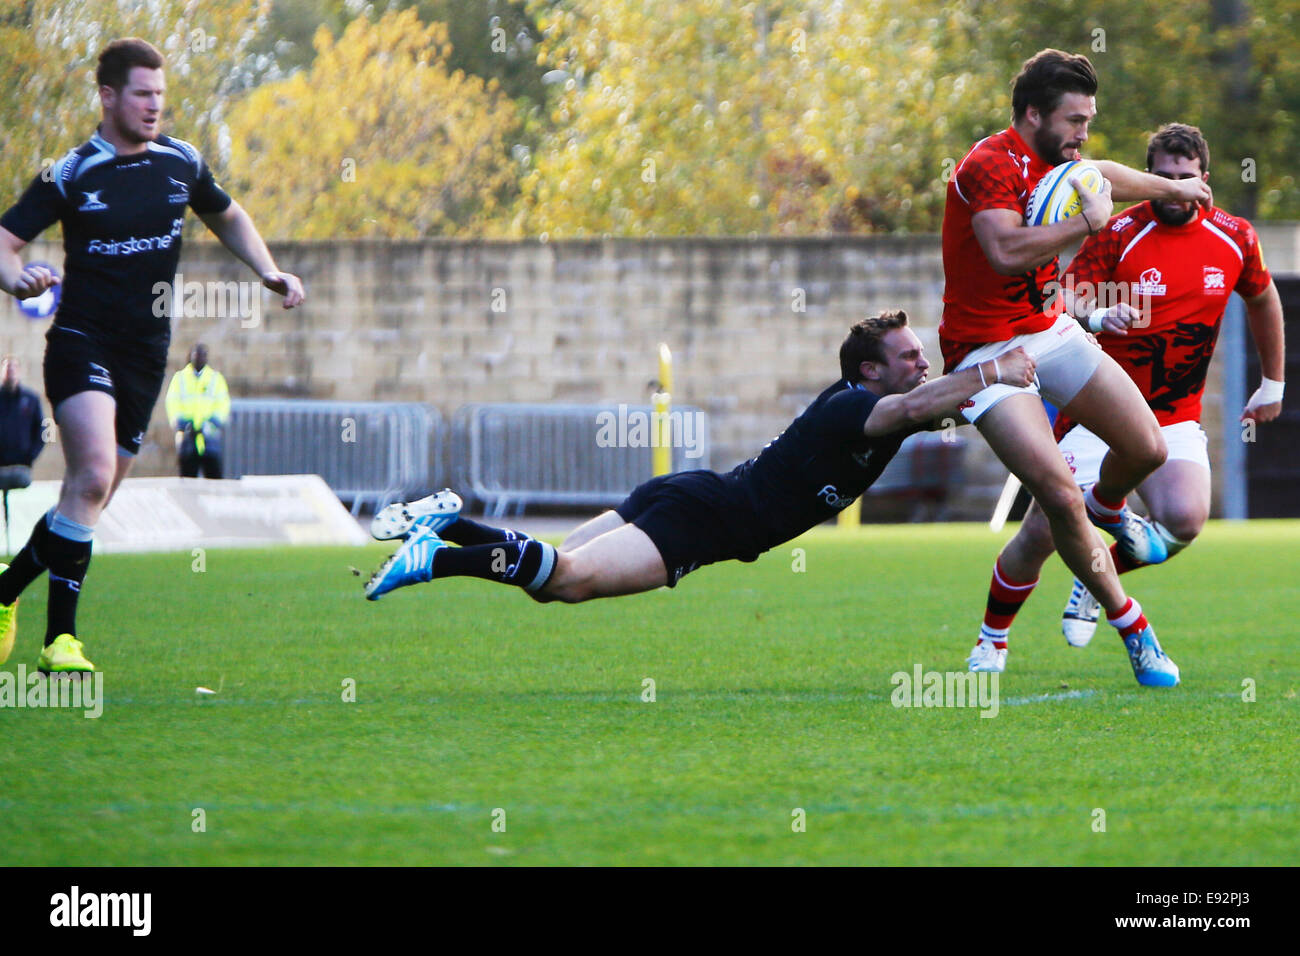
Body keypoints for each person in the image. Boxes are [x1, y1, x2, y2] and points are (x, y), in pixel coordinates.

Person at [362, 311, 1040, 610]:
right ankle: (436, 559)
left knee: (545, 574)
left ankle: (449, 522)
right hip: (705, 519)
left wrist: (1066, 342)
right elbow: (923, 407)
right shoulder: (855, 407)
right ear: (870, 371)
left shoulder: (884, 404)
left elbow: (943, 406)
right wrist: (993, 372)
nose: (924, 365)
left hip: (693, 495)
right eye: (910, 358)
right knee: (566, 580)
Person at [0, 38, 305, 674]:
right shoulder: (72, 171)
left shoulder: (180, 162)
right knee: (89, 477)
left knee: (91, 499)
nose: (153, 107)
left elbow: (228, 215)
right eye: (142, 94)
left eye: (160, 95)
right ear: (108, 96)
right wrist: (14, 278)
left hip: (146, 356)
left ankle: (4, 592)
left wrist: (268, 271)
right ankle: (61, 642)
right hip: (82, 342)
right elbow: (3, 243)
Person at [941, 49, 1216, 687]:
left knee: (1147, 447)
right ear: (1033, 113)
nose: (1083, 133)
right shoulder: (989, 163)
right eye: (1073, 119)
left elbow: (1108, 174)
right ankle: (1123, 632)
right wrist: (1082, 224)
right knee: (1060, 500)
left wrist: (1173, 188)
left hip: (1047, 332)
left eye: (1089, 118)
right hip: (985, 352)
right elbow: (1004, 249)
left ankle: (1111, 508)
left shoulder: (1066, 162)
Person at [991, 123, 1283, 650]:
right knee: (1040, 534)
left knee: (1184, 521)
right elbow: (1067, 297)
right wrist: (1100, 314)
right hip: (1098, 411)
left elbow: (1263, 298)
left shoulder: (1234, 235)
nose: (1175, 183)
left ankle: (1094, 577)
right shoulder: (1116, 232)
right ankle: (993, 639)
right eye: (1163, 175)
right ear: (1149, 178)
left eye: (1185, 175)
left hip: (1173, 414)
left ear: (1203, 179)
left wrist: (1273, 383)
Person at [0, 356, 45, 560]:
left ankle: (22, 544)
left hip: (21, 468)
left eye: (13, 368)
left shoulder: (31, 399)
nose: (10, 372)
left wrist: (31, 457)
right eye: (6, 368)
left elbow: (44, 430)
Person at [165, 342, 230, 478]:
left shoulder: (215, 379)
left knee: (214, 479)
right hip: (187, 436)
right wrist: (182, 424)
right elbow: (172, 403)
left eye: (203, 355)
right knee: (187, 478)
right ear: (191, 356)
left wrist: (212, 423)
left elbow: (223, 404)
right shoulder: (180, 378)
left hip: (209, 437)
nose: (199, 358)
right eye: (196, 354)